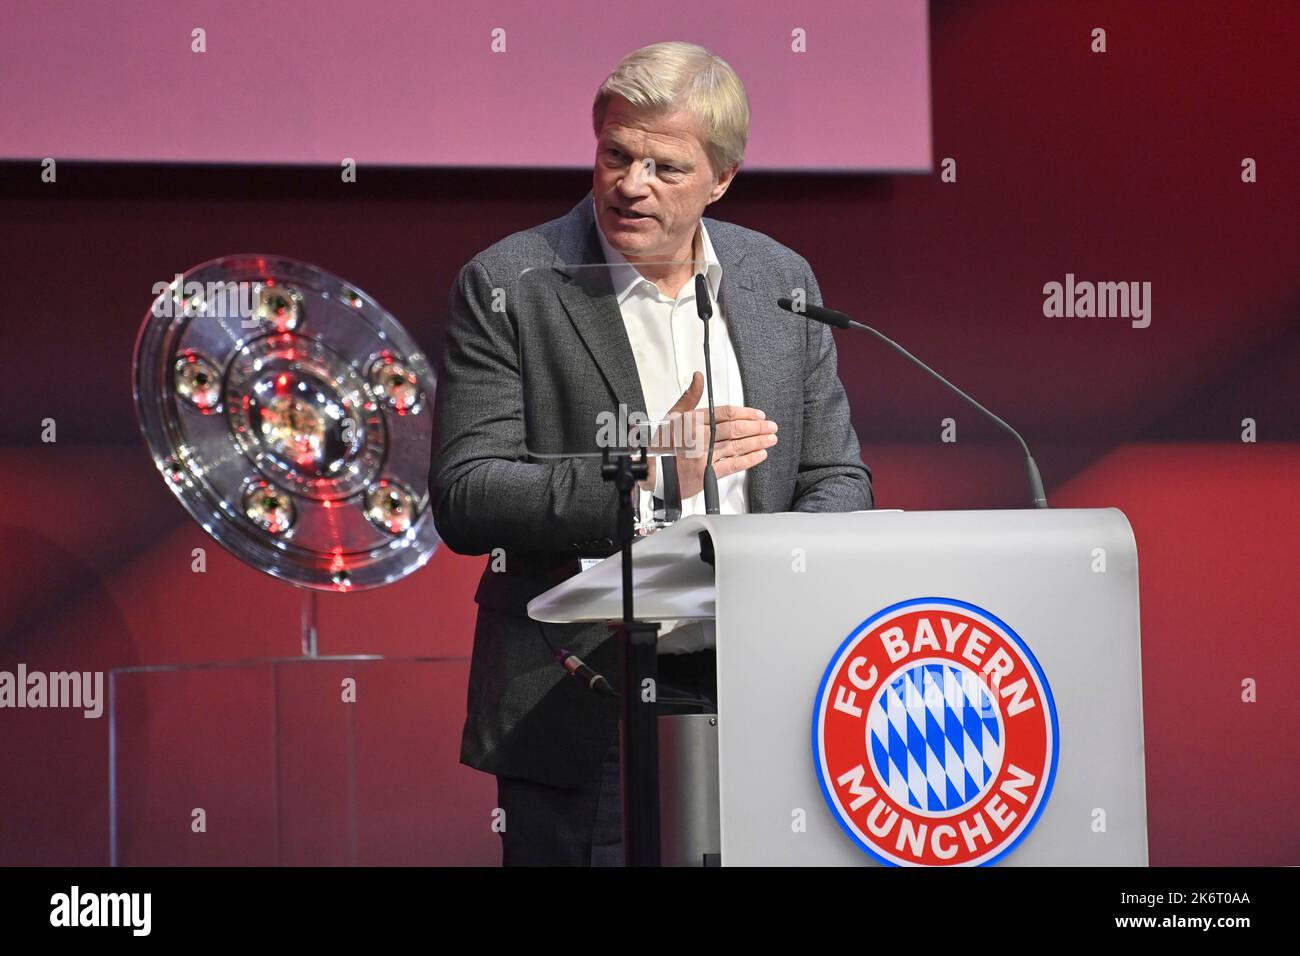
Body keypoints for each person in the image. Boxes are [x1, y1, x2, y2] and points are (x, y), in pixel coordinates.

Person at [428, 41, 872, 866]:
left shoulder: (779, 280)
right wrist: (651, 468)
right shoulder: (512, 282)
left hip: (763, 687)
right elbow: (467, 493)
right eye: (615, 156)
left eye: (665, 168)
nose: (631, 184)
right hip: (585, 693)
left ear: (722, 179)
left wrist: (794, 583)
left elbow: (835, 477)